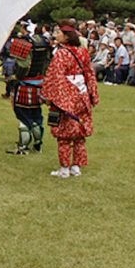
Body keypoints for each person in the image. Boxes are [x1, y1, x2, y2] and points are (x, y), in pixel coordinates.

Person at [42, 22, 100, 178]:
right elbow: (90, 74)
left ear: (66, 37)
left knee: (64, 135)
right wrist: (92, 94)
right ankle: (76, 166)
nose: (57, 35)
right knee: (79, 134)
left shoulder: (61, 54)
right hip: (82, 95)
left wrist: (50, 96)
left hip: (67, 96)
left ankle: (64, 169)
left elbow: (55, 76)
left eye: (59, 33)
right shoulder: (83, 52)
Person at [6, 20, 52, 155]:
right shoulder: (45, 42)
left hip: (25, 84)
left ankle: (23, 146)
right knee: (36, 114)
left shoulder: (23, 43)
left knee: (22, 115)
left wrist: (15, 77)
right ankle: (38, 144)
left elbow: (23, 66)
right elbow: (47, 62)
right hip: (39, 83)